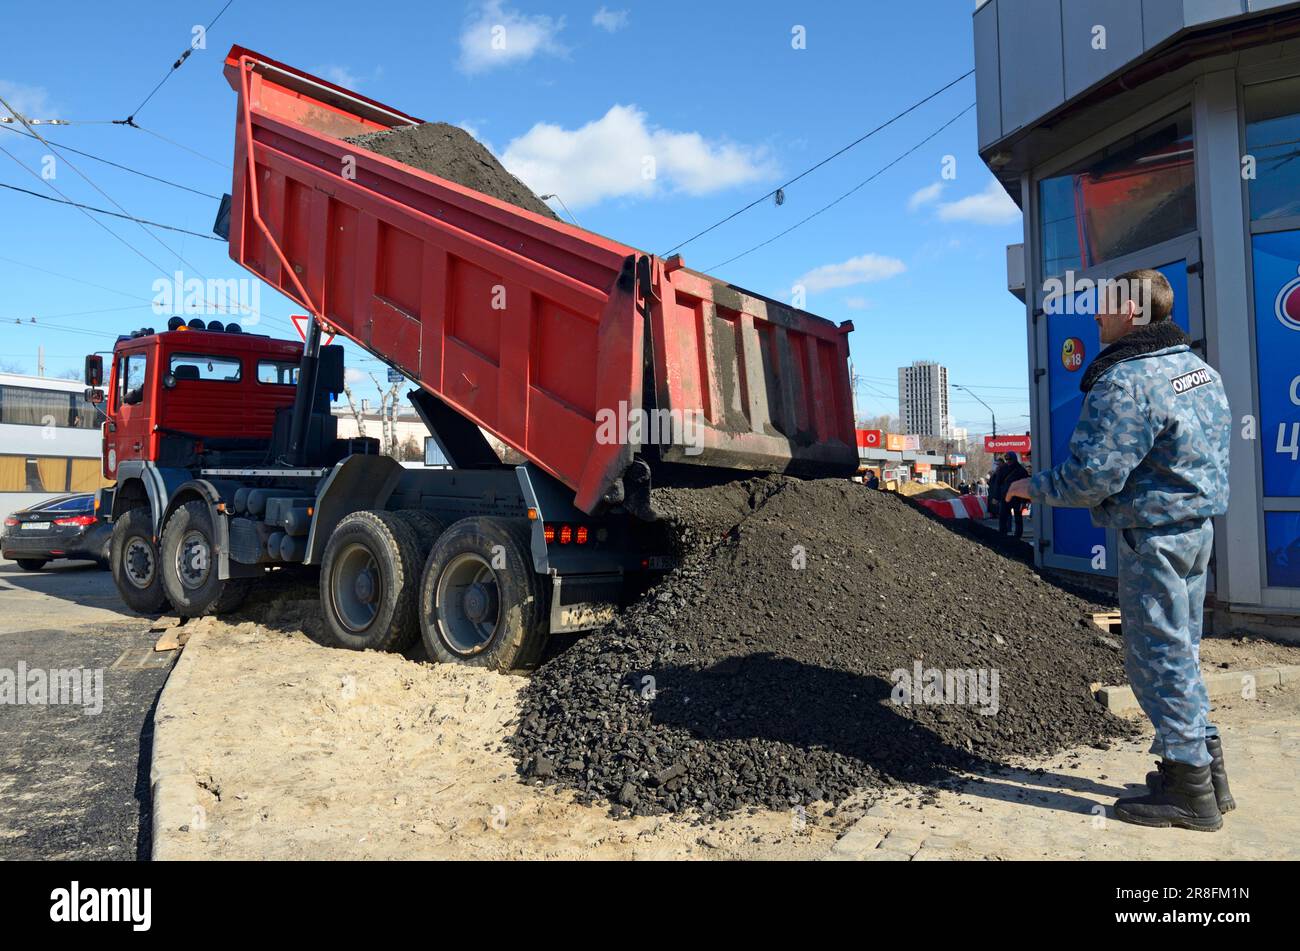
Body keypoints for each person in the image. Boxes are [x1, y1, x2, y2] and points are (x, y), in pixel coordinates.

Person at [1006, 268, 1232, 832]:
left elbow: (1092, 478)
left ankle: (1190, 794)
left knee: (1158, 658)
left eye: (1105, 307)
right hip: (1196, 531)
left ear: (1133, 313)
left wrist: (1027, 486)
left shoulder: (1125, 381)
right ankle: (1205, 772)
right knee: (1183, 650)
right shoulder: (1200, 373)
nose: (1095, 317)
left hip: (1151, 539)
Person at [997, 451, 1029, 537]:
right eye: (1006, 459)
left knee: (1018, 518)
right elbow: (998, 483)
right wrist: (997, 497)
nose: (1008, 461)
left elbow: (1026, 486)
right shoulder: (1002, 469)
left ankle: (1017, 536)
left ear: (1014, 459)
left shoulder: (1021, 470)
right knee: (1003, 517)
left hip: (1018, 498)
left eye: (1009, 459)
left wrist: (1024, 501)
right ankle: (1002, 535)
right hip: (1005, 497)